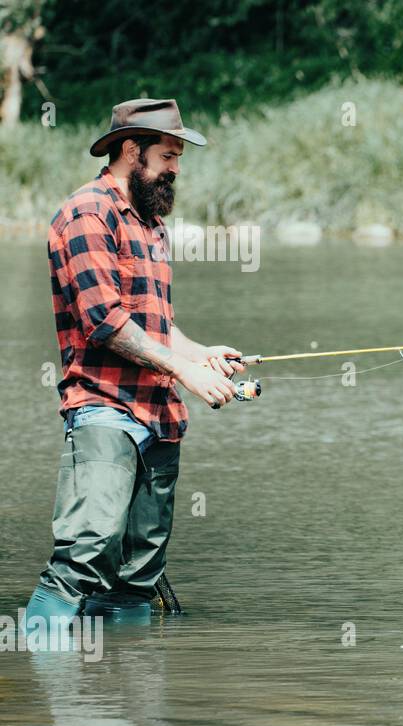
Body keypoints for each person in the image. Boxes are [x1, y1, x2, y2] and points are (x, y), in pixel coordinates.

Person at [24, 98, 244, 634]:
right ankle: (47, 687)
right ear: (130, 150)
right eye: (167, 155)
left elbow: (154, 325)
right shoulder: (86, 213)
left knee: (137, 577)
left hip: (161, 419)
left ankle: (123, 688)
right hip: (104, 409)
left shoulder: (150, 224)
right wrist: (187, 374)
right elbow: (104, 319)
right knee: (86, 554)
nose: (175, 168)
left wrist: (200, 355)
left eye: (178, 158)